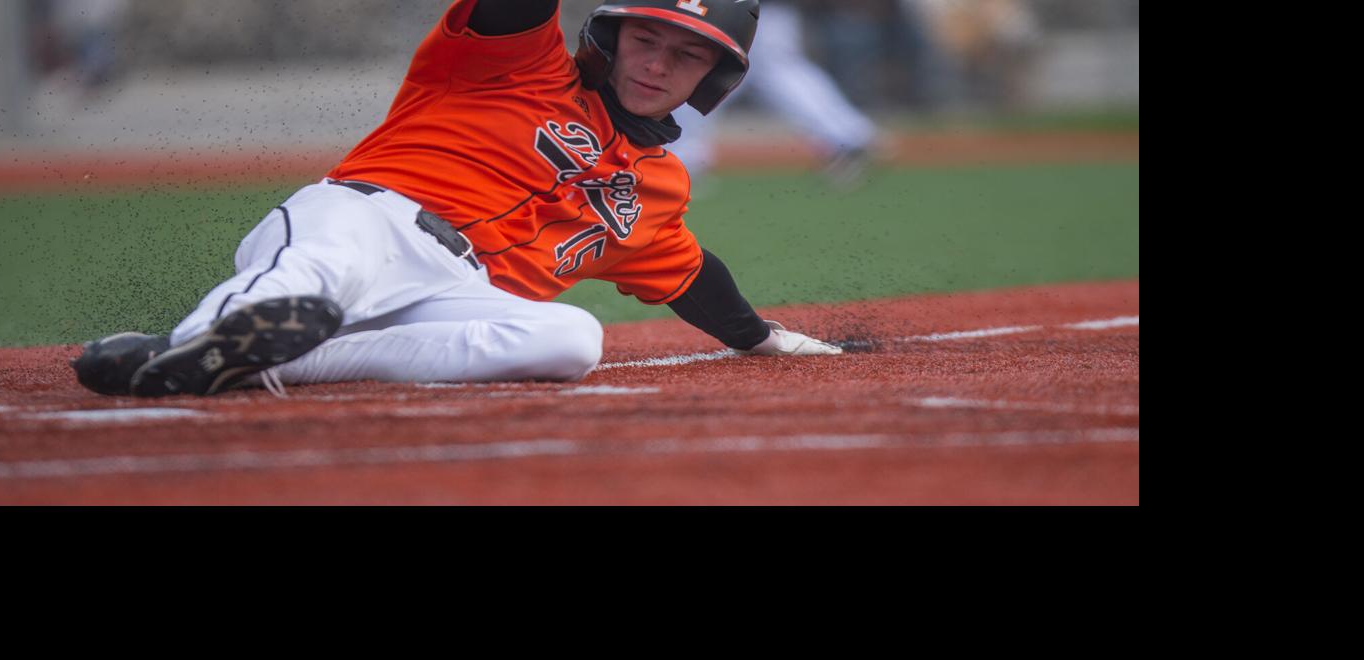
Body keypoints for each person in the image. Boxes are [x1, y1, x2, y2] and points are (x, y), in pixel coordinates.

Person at [73, 0, 840, 399]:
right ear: (610, 37)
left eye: (686, 55)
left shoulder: (657, 189)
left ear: (712, 80)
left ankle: (283, 357)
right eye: (646, 40)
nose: (657, 63)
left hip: (454, 291)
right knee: (322, 272)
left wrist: (761, 339)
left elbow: (689, 273)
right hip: (368, 215)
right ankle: (189, 351)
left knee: (571, 339)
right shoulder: (517, 63)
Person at [667, 0, 881, 190]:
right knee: (775, 70)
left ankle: (682, 156)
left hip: (747, 9)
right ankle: (847, 134)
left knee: (716, 73)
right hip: (759, 10)